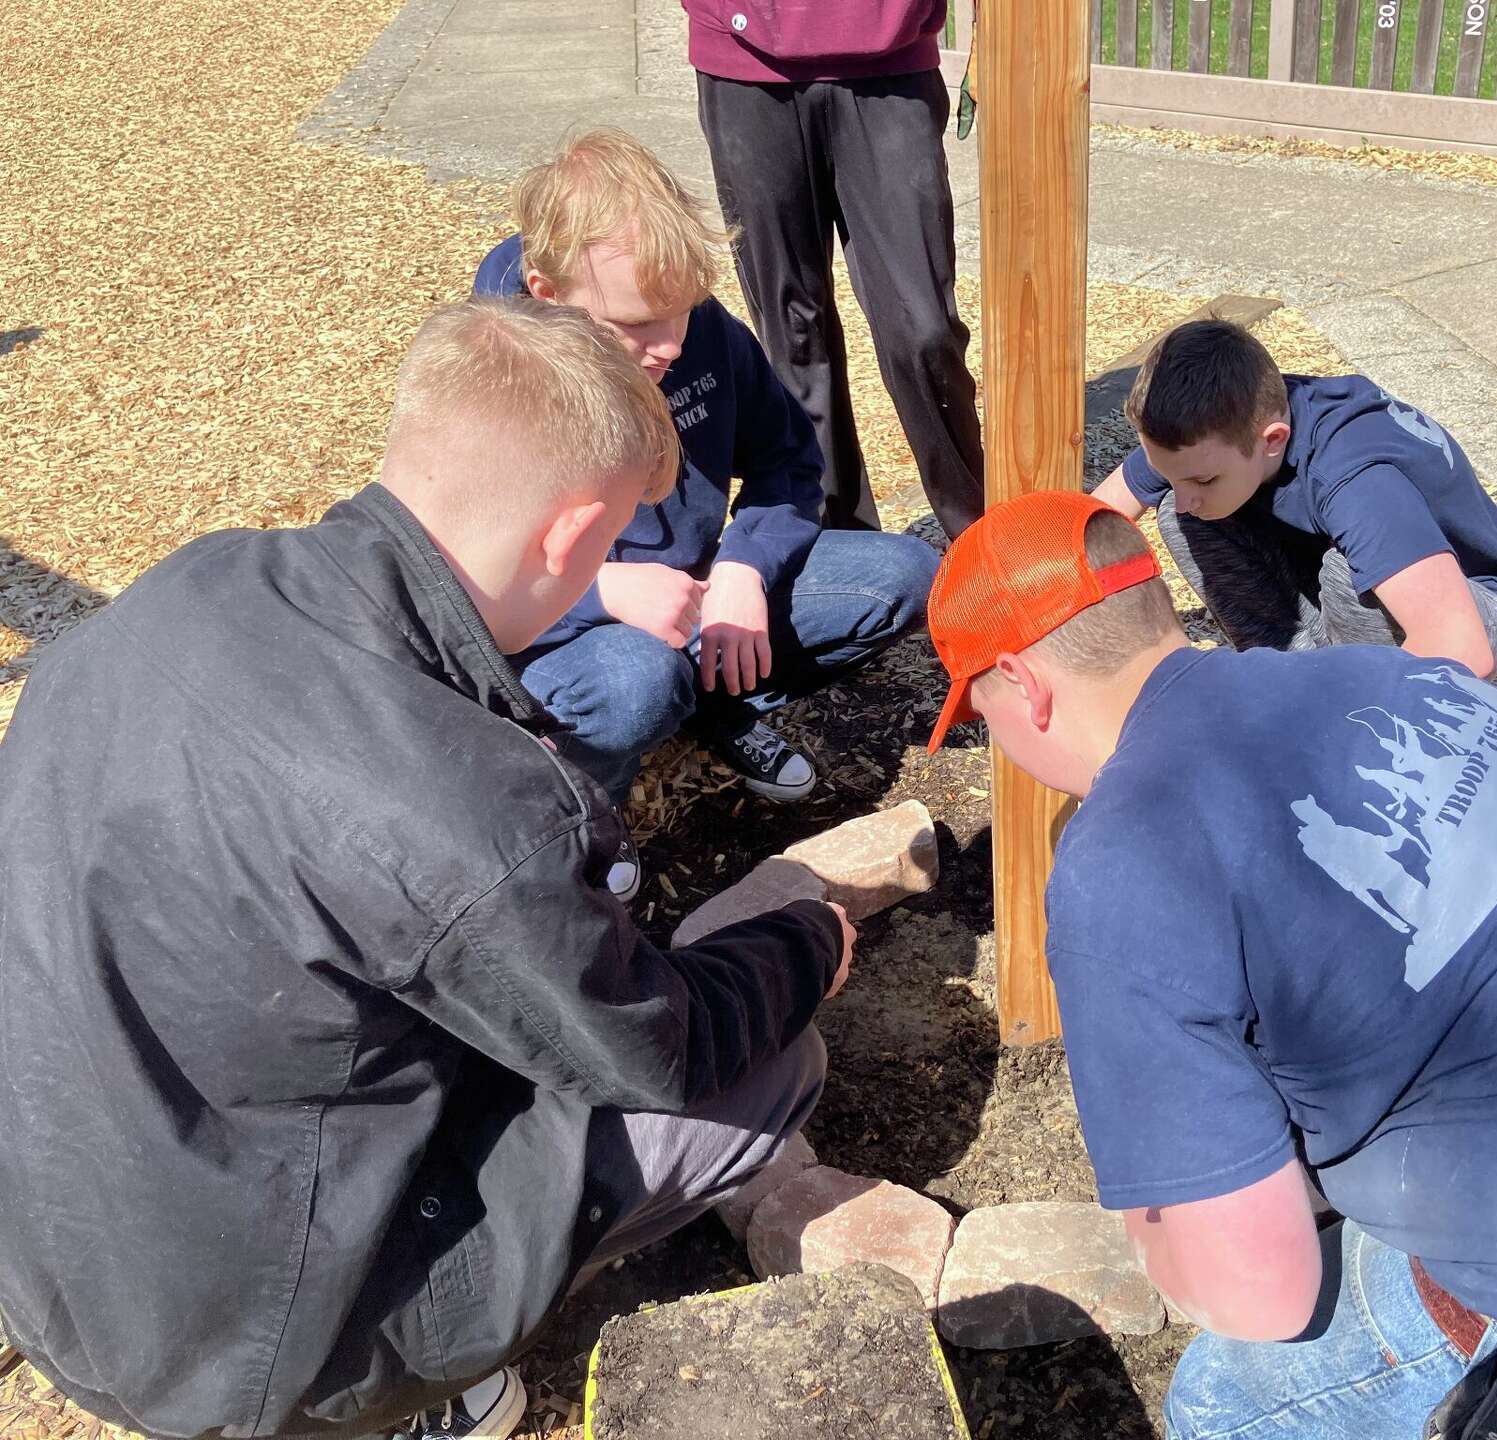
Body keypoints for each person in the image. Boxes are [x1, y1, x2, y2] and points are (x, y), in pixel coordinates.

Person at [0, 300, 855, 1440]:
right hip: (238, 1356)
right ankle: (390, 1401)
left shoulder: (196, 584)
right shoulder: (468, 813)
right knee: (761, 1075)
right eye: (608, 546)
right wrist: (807, 944)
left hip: (55, 1240)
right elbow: (660, 1048)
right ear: (567, 539)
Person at [924, 491, 1497, 1439]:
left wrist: (1167, 1225)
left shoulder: (1123, 862)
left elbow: (1262, 1295)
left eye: (979, 714)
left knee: (1219, 1404)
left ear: (1025, 684)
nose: (993, 740)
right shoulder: (1386, 677)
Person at [474, 129, 939, 803]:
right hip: (561, 632)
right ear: (548, 295)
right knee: (636, 681)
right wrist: (602, 592)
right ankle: (584, 810)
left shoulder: (693, 326)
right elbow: (459, 585)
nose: (671, 346)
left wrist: (744, 568)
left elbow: (788, 461)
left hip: (687, 593)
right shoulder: (484, 384)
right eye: (637, 324)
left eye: (682, 312)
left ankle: (712, 705)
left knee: (902, 574)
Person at [682, 0, 986, 538]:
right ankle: (841, 542)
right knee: (794, 330)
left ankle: (982, 535)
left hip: (892, 60)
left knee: (923, 330)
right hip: (746, 68)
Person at [1090, 320, 1497, 679]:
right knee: (1179, 513)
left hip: (1465, 609)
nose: (1188, 496)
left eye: (1203, 480)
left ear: (1272, 441)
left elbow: (1463, 648)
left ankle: (1345, 696)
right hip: (1348, 568)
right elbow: (1092, 522)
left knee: (1346, 575)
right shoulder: (1218, 430)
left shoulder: (1355, 479)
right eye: (1171, 473)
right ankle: (1293, 676)